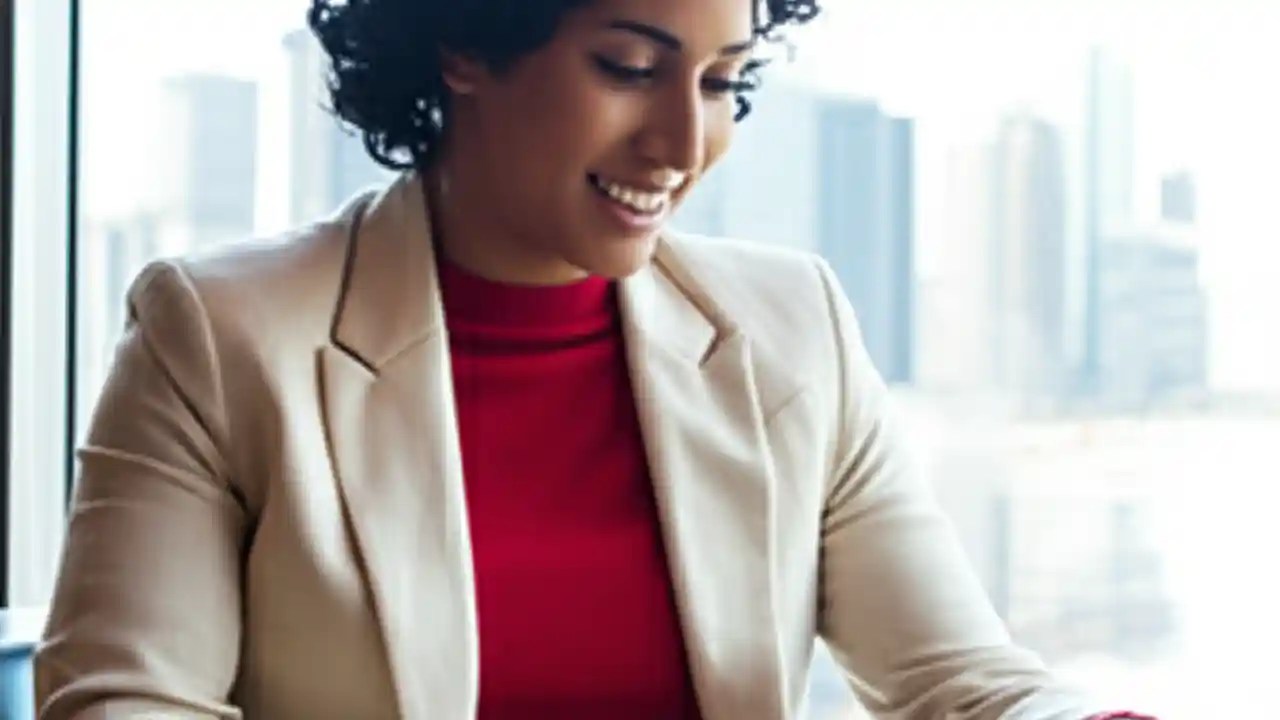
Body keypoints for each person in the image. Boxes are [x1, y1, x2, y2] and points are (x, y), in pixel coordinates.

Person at [34, 0, 1157, 718]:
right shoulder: (222, 334)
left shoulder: (789, 324)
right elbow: (125, 702)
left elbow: (955, 683)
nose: (682, 142)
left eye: (723, 83)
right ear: (467, 43)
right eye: (628, 66)